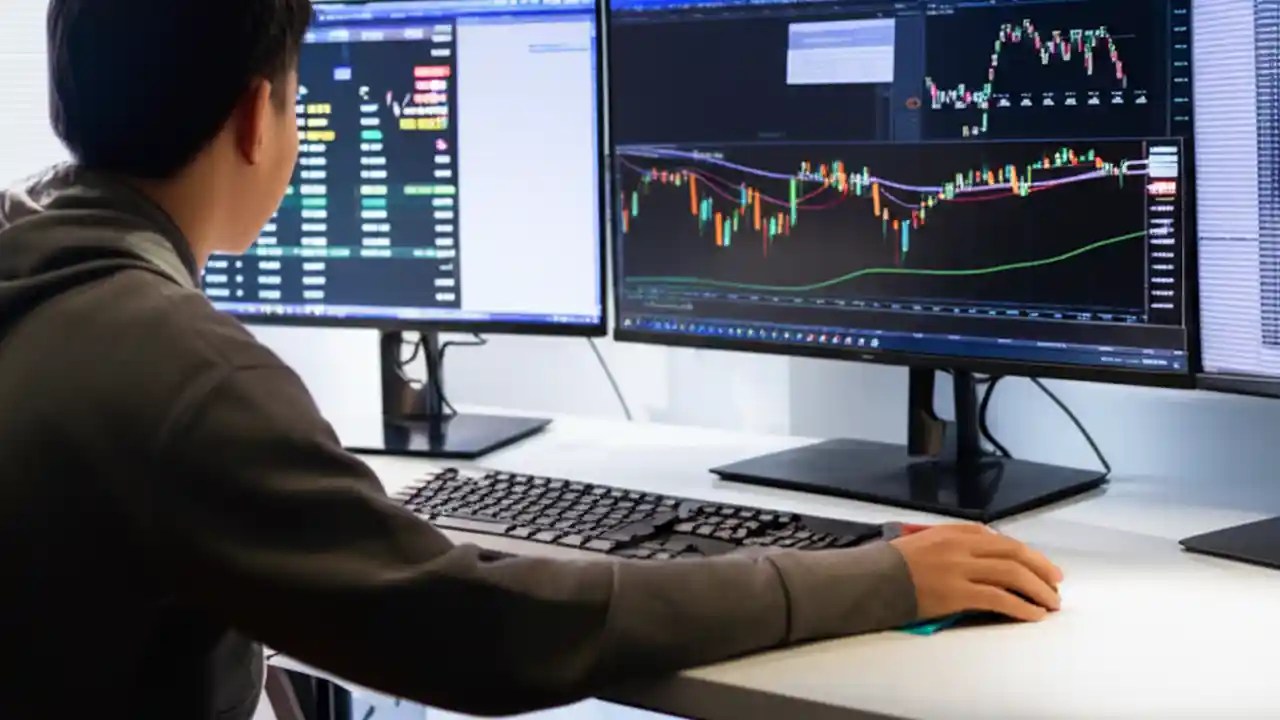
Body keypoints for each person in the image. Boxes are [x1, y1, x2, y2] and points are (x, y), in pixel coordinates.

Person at [0, 1, 1064, 717]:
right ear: (255, 118)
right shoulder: (189, 379)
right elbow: (480, 635)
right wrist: (877, 578)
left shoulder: (41, 284)